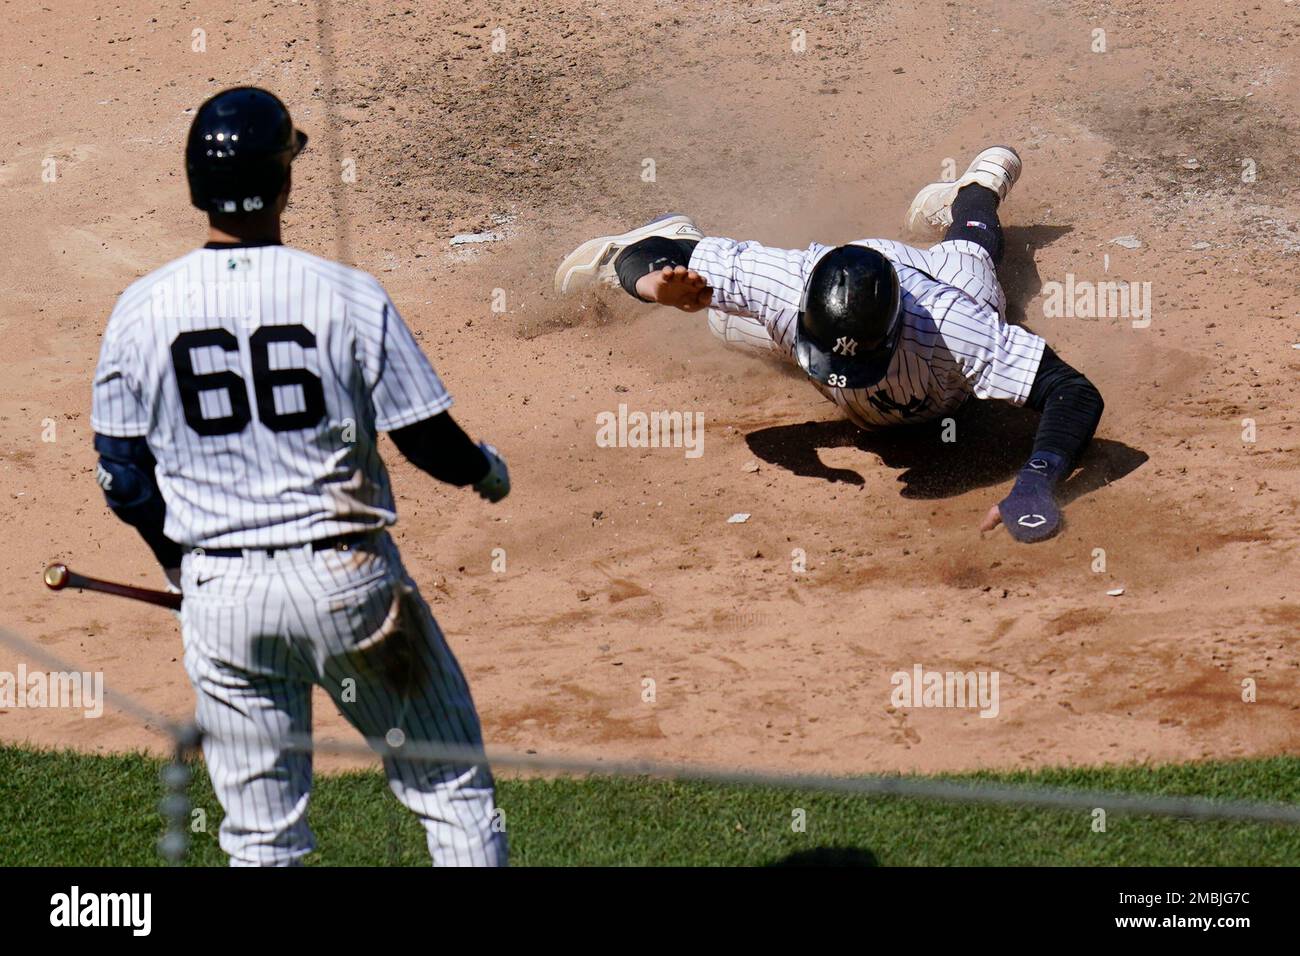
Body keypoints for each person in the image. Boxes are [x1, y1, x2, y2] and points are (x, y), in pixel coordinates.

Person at [91, 86, 508, 865]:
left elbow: (123, 476)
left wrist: (182, 564)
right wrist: (486, 471)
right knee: (449, 787)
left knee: (261, 836)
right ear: (286, 182)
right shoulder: (345, 295)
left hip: (223, 602)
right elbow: (425, 441)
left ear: (193, 186)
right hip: (351, 588)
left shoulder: (140, 309)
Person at [554, 147, 1104, 542]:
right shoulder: (783, 283)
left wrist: (1037, 483)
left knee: (974, 252)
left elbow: (1073, 392)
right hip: (837, 281)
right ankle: (688, 240)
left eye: (855, 361)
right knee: (720, 323)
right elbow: (642, 254)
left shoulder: (956, 328)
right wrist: (656, 285)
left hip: (937, 282)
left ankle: (978, 187)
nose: (837, 375)